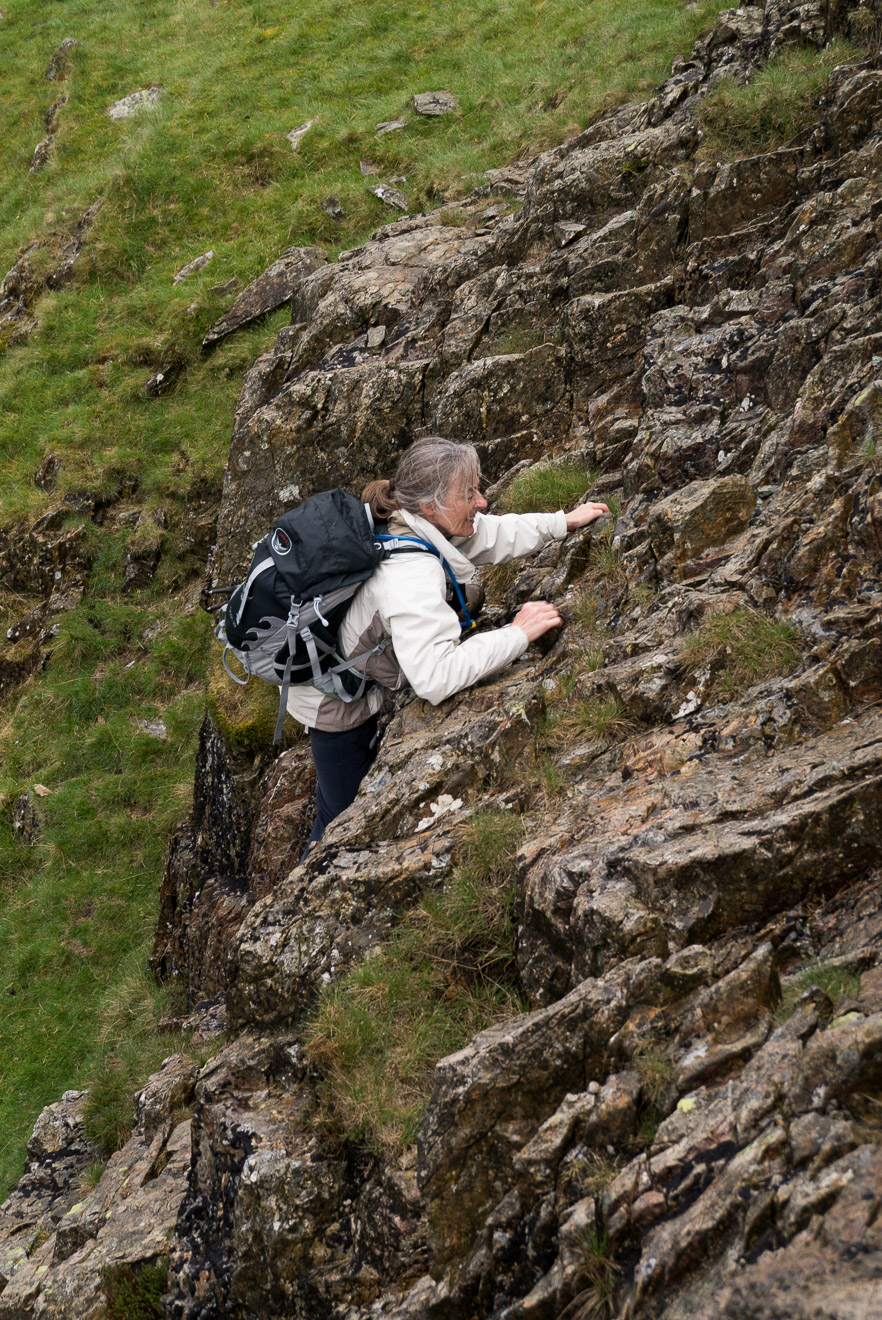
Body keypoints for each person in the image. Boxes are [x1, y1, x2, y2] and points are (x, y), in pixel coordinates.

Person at [289, 436, 609, 846]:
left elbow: (492, 534)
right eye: (469, 493)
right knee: (339, 822)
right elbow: (435, 679)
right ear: (429, 506)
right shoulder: (410, 575)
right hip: (335, 706)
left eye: (478, 488)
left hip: (354, 673)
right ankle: (310, 884)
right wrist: (517, 634)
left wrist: (562, 521)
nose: (482, 502)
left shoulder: (414, 520)